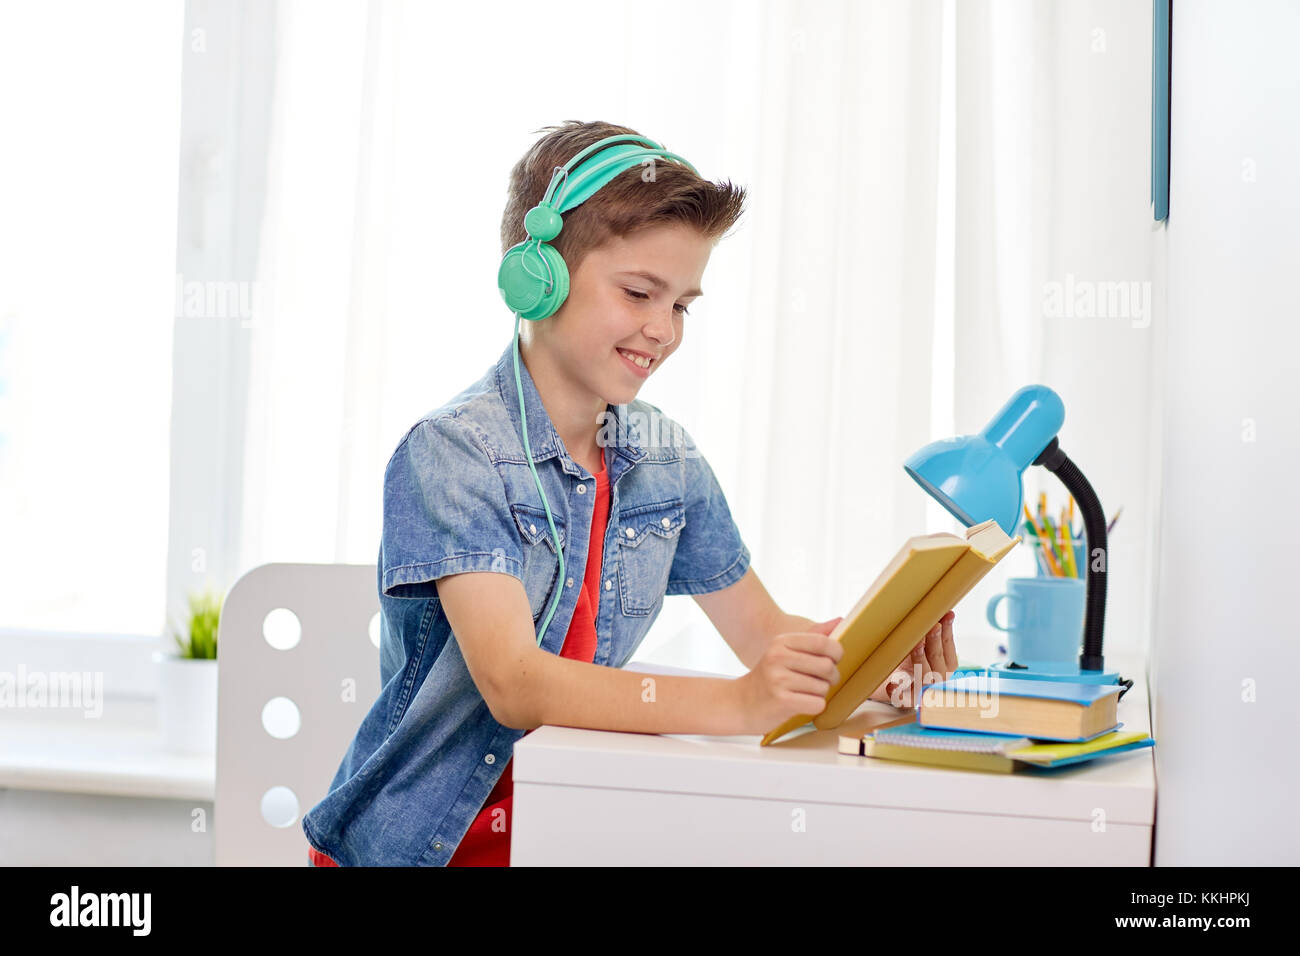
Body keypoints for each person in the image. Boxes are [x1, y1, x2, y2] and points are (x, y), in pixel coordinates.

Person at [301, 120, 958, 867]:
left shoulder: (663, 457)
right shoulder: (454, 452)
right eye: (640, 292)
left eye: (681, 304)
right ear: (536, 276)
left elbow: (762, 631)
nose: (663, 330)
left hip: (565, 829)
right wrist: (741, 704)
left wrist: (871, 665)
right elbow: (515, 684)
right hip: (417, 851)